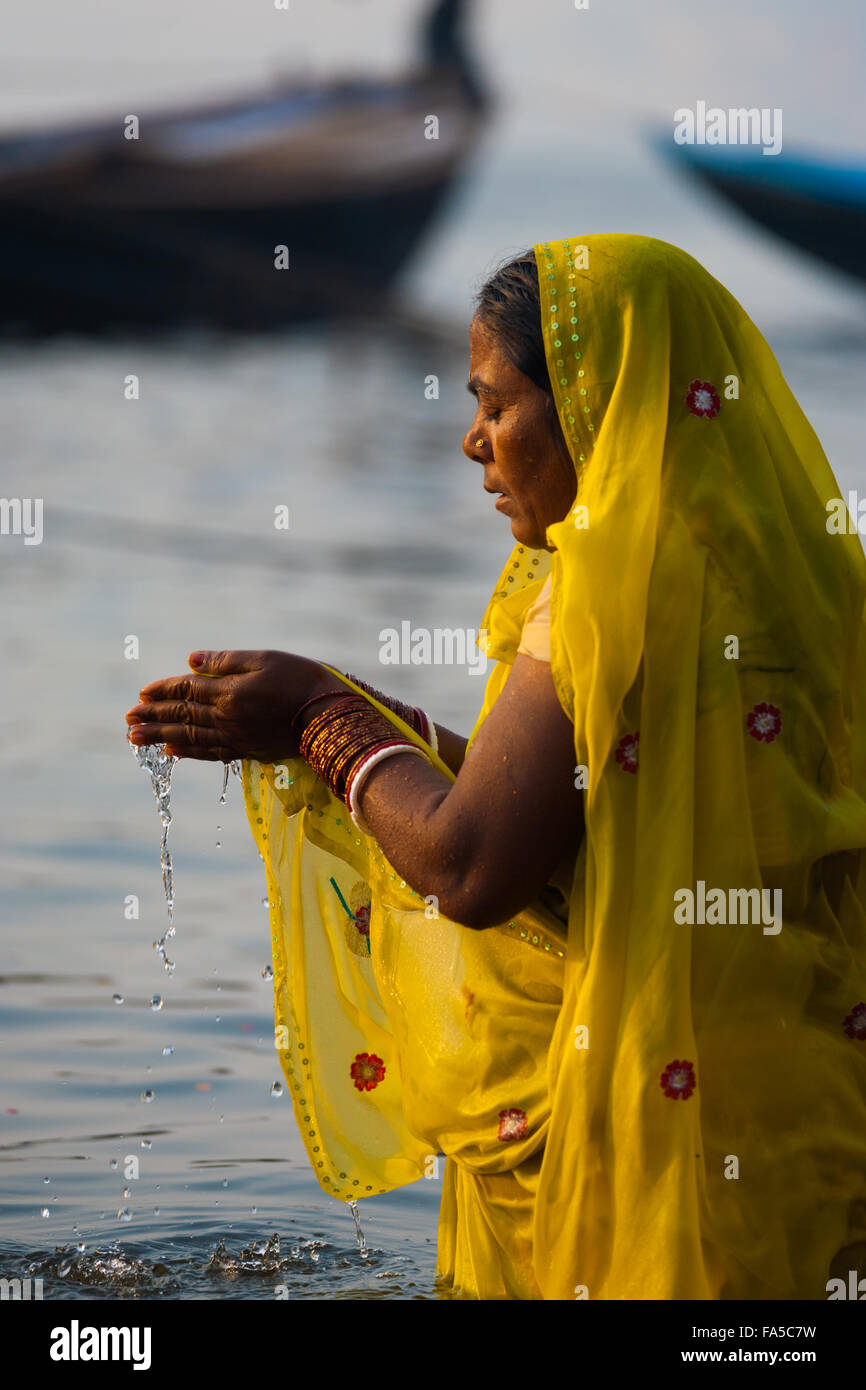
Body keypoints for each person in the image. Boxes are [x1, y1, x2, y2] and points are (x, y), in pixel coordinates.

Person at [126, 233, 866, 1300]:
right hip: (798, 1108)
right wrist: (379, 722)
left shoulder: (608, 585)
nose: (472, 443)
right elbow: (593, 799)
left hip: (662, 1139)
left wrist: (323, 718)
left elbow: (472, 864)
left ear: (590, 403)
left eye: (493, 403)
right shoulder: (781, 577)